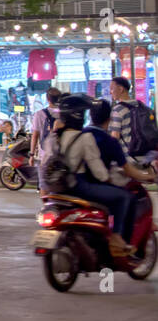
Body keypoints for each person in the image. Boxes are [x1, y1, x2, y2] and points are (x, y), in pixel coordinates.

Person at [56, 94, 139, 259]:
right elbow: (98, 170)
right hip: (79, 186)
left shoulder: (56, 135)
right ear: (79, 115)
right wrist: (108, 180)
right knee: (123, 197)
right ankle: (116, 238)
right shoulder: (85, 137)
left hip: (57, 185)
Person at [28, 88, 61, 194]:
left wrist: (32, 155)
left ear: (47, 99)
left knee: (44, 185)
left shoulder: (40, 114)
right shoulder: (64, 114)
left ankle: (46, 208)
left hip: (45, 155)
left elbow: (35, 136)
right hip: (61, 155)